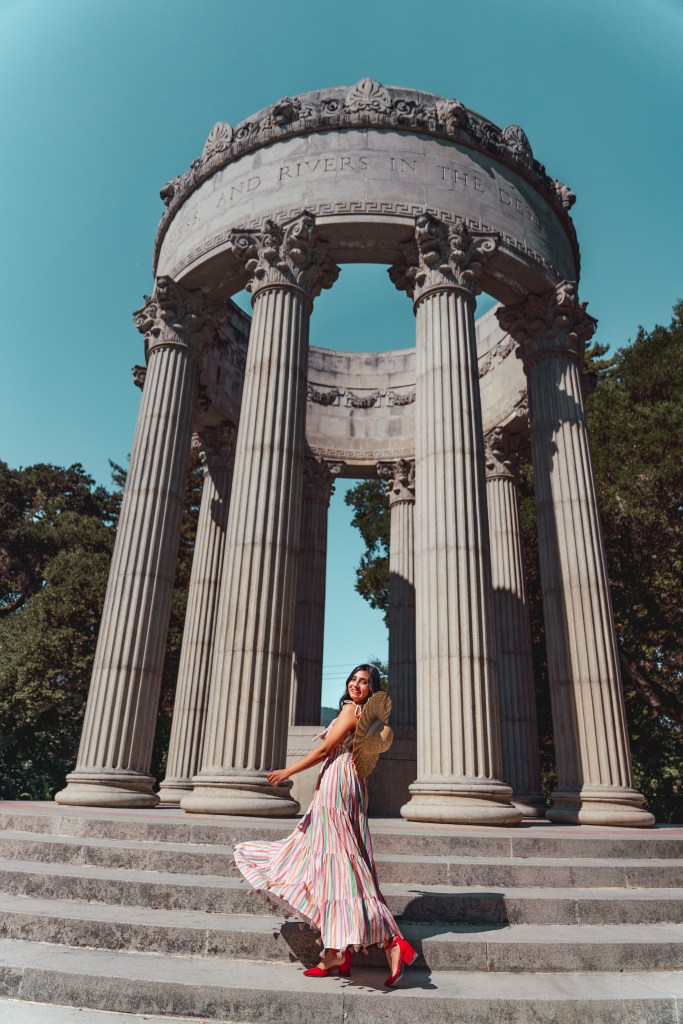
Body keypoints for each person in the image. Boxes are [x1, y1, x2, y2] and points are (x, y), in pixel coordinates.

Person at [233, 663, 417, 987]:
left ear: (372, 690)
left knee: (339, 863)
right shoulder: (366, 718)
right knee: (336, 862)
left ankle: (388, 941)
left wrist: (288, 771)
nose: (356, 685)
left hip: (337, 784)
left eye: (365, 682)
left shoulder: (351, 711)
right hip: (352, 784)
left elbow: (323, 750)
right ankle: (335, 952)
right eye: (354, 679)